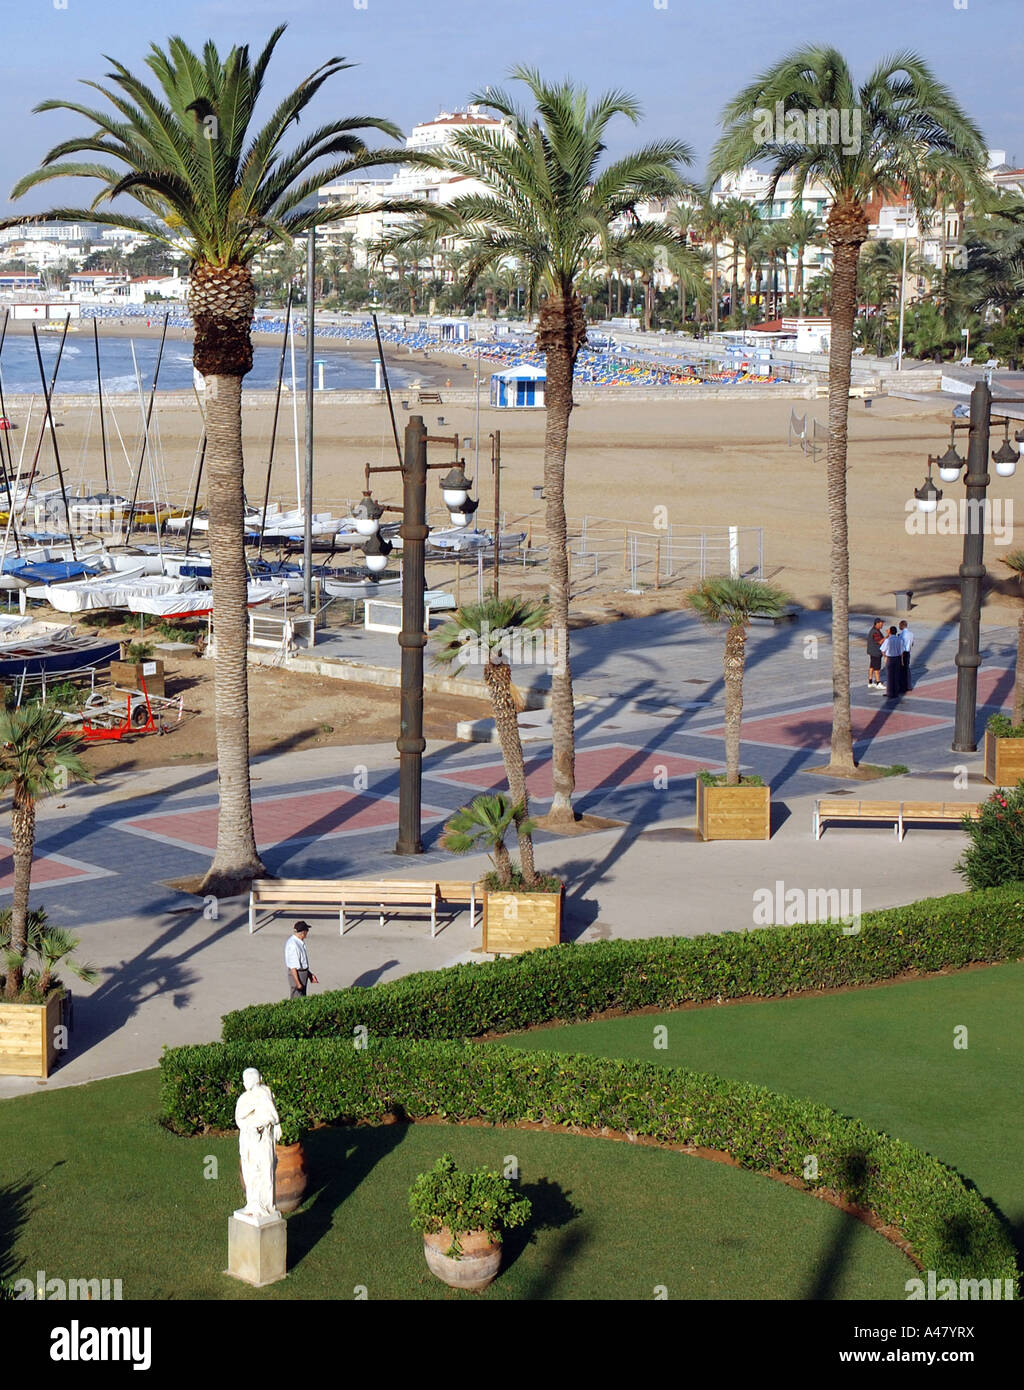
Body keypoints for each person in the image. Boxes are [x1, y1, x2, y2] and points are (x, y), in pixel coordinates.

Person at [234, 1069, 281, 1221]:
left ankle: (265, 1205)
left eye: (246, 1079)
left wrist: (271, 1124)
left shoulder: (265, 1093)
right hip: (249, 1138)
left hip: (263, 1138)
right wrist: (251, 1112)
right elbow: (239, 1118)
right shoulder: (244, 1098)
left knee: (265, 1169)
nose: (244, 1082)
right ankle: (253, 1203)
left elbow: (272, 1115)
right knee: (250, 1170)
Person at [284, 922, 317, 998]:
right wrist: (298, 983)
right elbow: (293, 967)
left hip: (302, 973)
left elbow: (302, 962)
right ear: (303, 932)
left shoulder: (297, 942)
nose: (307, 932)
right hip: (297, 975)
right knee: (297, 999)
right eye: (307, 930)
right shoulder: (293, 945)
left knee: (302, 998)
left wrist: (309, 974)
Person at [881, 625, 902, 699]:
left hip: (890, 658)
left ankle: (890, 692)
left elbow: (882, 650)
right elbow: (901, 651)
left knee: (889, 676)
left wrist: (885, 657)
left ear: (890, 632)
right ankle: (895, 692)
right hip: (897, 658)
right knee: (896, 675)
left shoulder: (888, 640)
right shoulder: (899, 639)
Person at [867, 618, 885, 690]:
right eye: (881, 623)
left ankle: (870, 682)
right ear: (877, 624)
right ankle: (878, 683)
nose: (882, 625)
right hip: (875, 652)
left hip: (872, 652)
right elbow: (880, 642)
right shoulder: (875, 632)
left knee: (872, 666)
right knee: (877, 668)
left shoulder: (876, 631)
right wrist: (887, 636)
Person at [898, 619, 915, 693]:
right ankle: (909, 686)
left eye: (899, 625)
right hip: (908, 652)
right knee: (907, 669)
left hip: (903, 653)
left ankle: (903, 686)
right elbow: (912, 644)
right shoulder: (911, 634)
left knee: (902, 670)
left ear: (902, 626)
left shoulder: (901, 635)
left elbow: (900, 645)